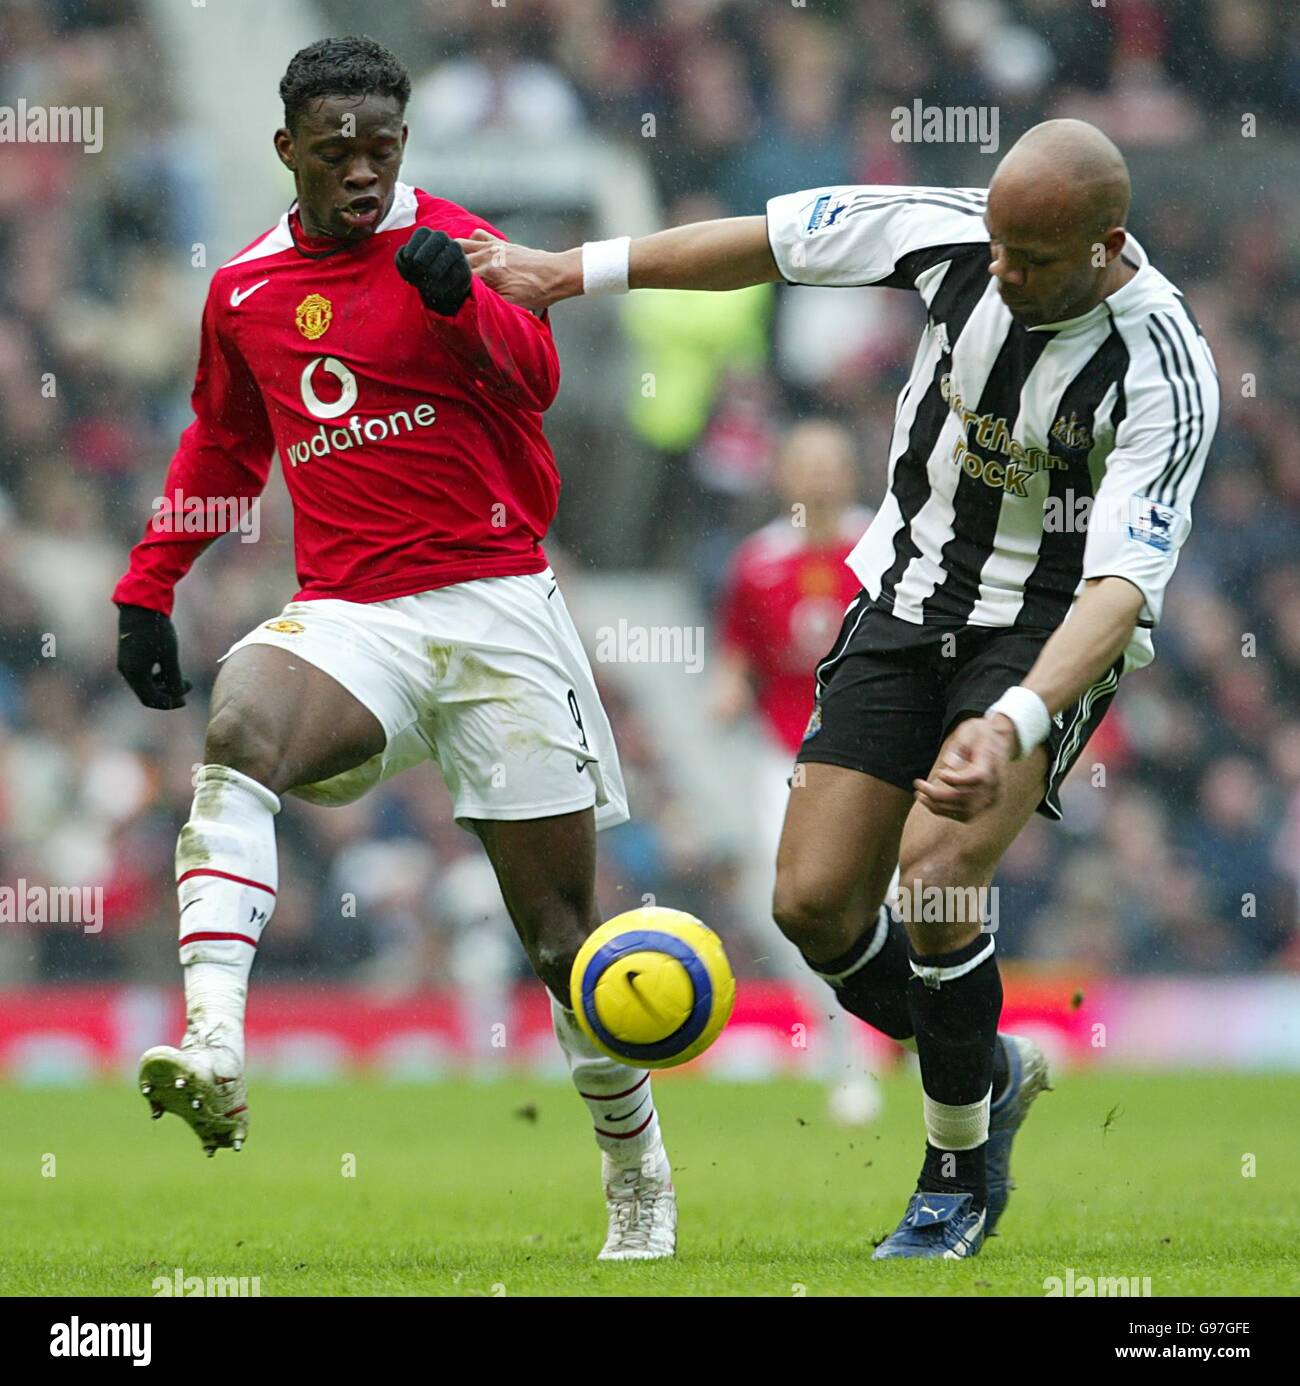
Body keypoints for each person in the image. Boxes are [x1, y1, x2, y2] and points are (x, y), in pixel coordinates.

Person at [463, 119, 1220, 1258]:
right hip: (908, 600)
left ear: (1107, 244)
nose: (1000, 271)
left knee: (937, 873)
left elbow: (1119, 584)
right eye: (997, 246)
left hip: (1044, 633)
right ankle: (988, 1065)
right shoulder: (953, 232)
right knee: (813, 904)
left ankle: (954, 1172)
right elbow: (768, 242)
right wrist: (568, 274)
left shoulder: (1163, 364)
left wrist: (1015, 720)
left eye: (1030, 260)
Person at [112, 35, 675, 1262]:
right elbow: (223, 446)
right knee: (239, 729)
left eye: (383, 149)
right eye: (338, 153)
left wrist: (457, 296)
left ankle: (635, 1176)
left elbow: (532, 382)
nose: (365, 173)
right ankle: (213, 1039)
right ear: (287, 152)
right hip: (355, 618)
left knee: (559, 941)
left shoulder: (463, 245)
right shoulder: (247, 289)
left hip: (497, 609)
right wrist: (148, 587)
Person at [713, 418, 887, 1121]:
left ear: (853, 471)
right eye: (805, 464)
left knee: (894, 896)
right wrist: (722, 690)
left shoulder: (884, 548)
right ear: (781, 475)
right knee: (780, 899)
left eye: (831, 463)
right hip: (786, 755)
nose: (818, 477)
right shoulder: (756, 561)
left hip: (877, 751)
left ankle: (916, 1030)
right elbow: (738, 652)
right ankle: (845, 1048)